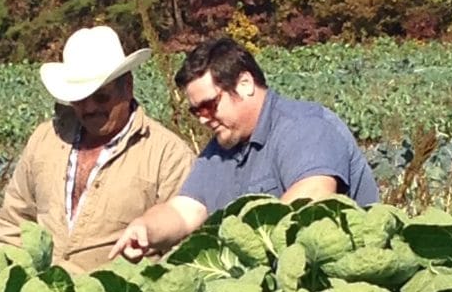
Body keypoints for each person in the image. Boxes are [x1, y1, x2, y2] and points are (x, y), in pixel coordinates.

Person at [111, 36, 379, 262]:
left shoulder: (305, 127)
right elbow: (184, 210)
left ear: (245, 84)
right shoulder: (219, 150)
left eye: (209, 105)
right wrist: (146, 228)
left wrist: (234, 250)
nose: (203, 118)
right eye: (195, 111)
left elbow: (313, 196)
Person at [0, 25, 194, 272]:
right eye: (79, 98)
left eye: (101, 97)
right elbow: (14, 223)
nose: (89, 108)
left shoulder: (168, 155)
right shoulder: (45, 140)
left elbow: (183, 250)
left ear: (128, 87)